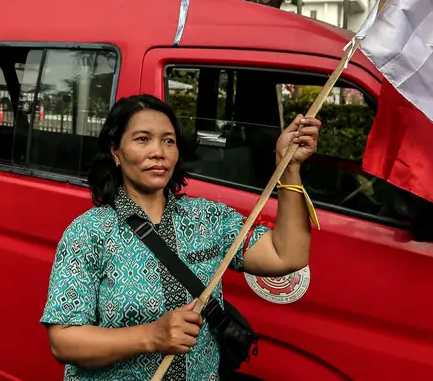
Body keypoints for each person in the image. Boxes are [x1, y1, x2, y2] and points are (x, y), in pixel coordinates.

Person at [42, 94, 319, 379]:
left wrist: (290, 167)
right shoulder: (89, 232)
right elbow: (63, 341)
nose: (158, 152)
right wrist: (151, 337)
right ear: (116, 152)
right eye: (142, 139)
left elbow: (287, 255)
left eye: (168, 141)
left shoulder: (208, 219)